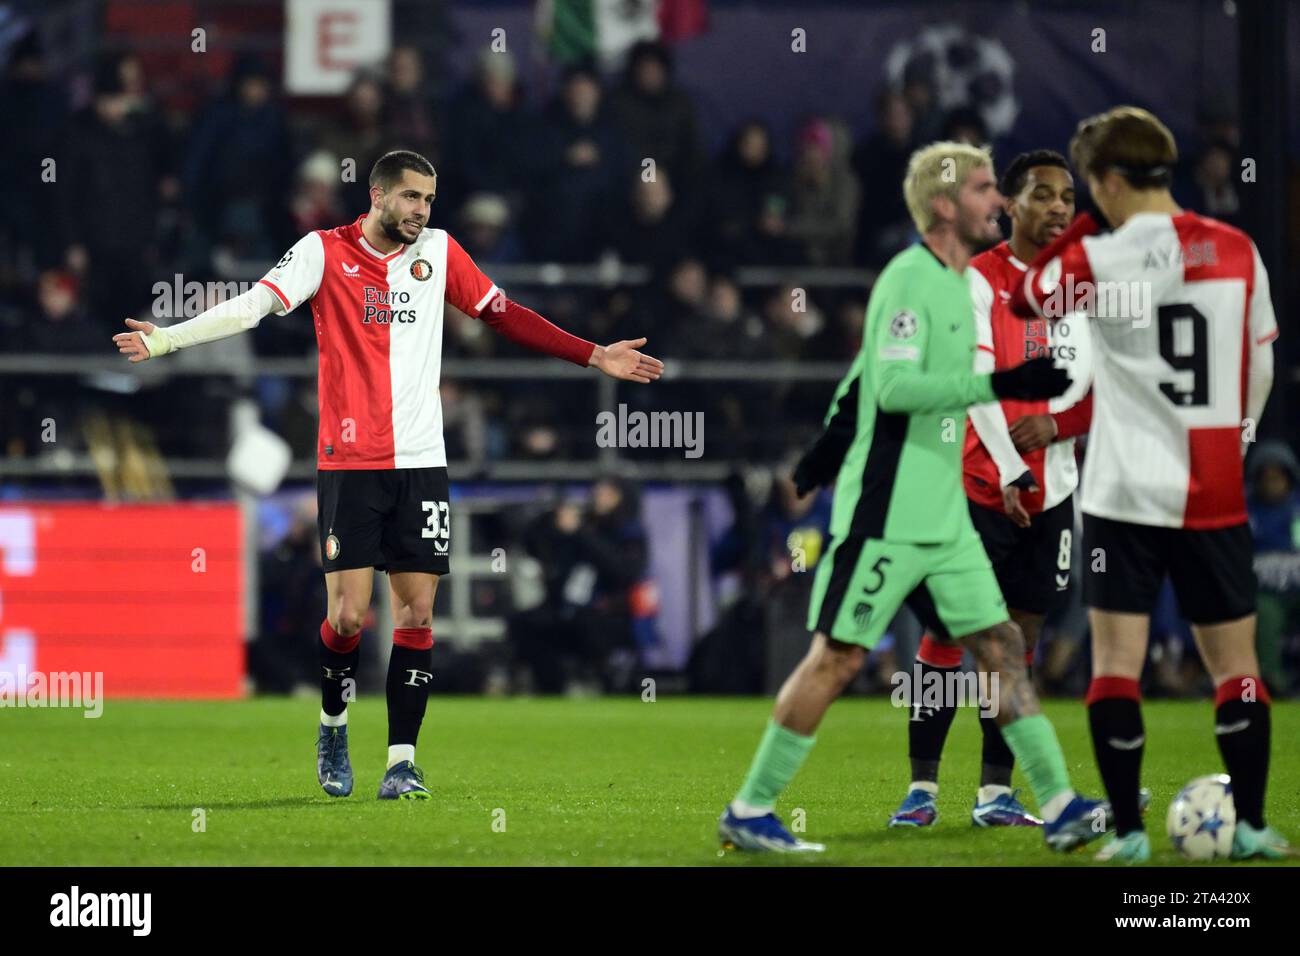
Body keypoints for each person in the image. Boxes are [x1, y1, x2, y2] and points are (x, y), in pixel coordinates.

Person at [112, 150, 663, 801]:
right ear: (376, 195)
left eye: (428, 199)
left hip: (423, 464)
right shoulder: (323, 252)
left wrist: (593, 353)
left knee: (417, 611)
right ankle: (333, 725)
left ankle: (402, 761)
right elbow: (252, 307)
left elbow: (503, 314)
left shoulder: (439, 252)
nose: (420, 210)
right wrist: (166, 340)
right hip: (349, 466)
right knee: (347, 618)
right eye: (409, 197)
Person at [717, 142, 1109, 854]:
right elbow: (893, 388)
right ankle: (751, 808)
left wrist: (821, 451)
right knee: (836, 660)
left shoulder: (965, 286)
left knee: (1001, 650)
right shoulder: (908, 279)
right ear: (943, 204)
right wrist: (1000, 385)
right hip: (888, 513)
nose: (999, 200)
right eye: (987, 188)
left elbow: (861, 379)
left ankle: (1058, 804)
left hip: (945, 517)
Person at [1010, 106, 1289, 862]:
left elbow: (1026, 296)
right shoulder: (1236, 249)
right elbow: (1260, 362)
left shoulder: (1097, 259)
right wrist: (1237, 437)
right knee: (1236, 668)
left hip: (1124, 492)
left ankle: (1128, 839)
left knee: (1115, 666)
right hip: (1212, 490)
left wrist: (1083, 228)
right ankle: (1256, 826)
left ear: (1102, 182)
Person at [888, 150, 1096, 830]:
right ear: (1009, 203)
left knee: (1020, 640)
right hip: (978, 484)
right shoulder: (977, 280)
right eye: (1042, 194)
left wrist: (1059, 429)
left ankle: (995, 794)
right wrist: (1009, 466)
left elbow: (1096, 389)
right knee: (949, 634)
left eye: (1067, 195)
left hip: (1055, 491)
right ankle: (921, 789)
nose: (1059, 207)